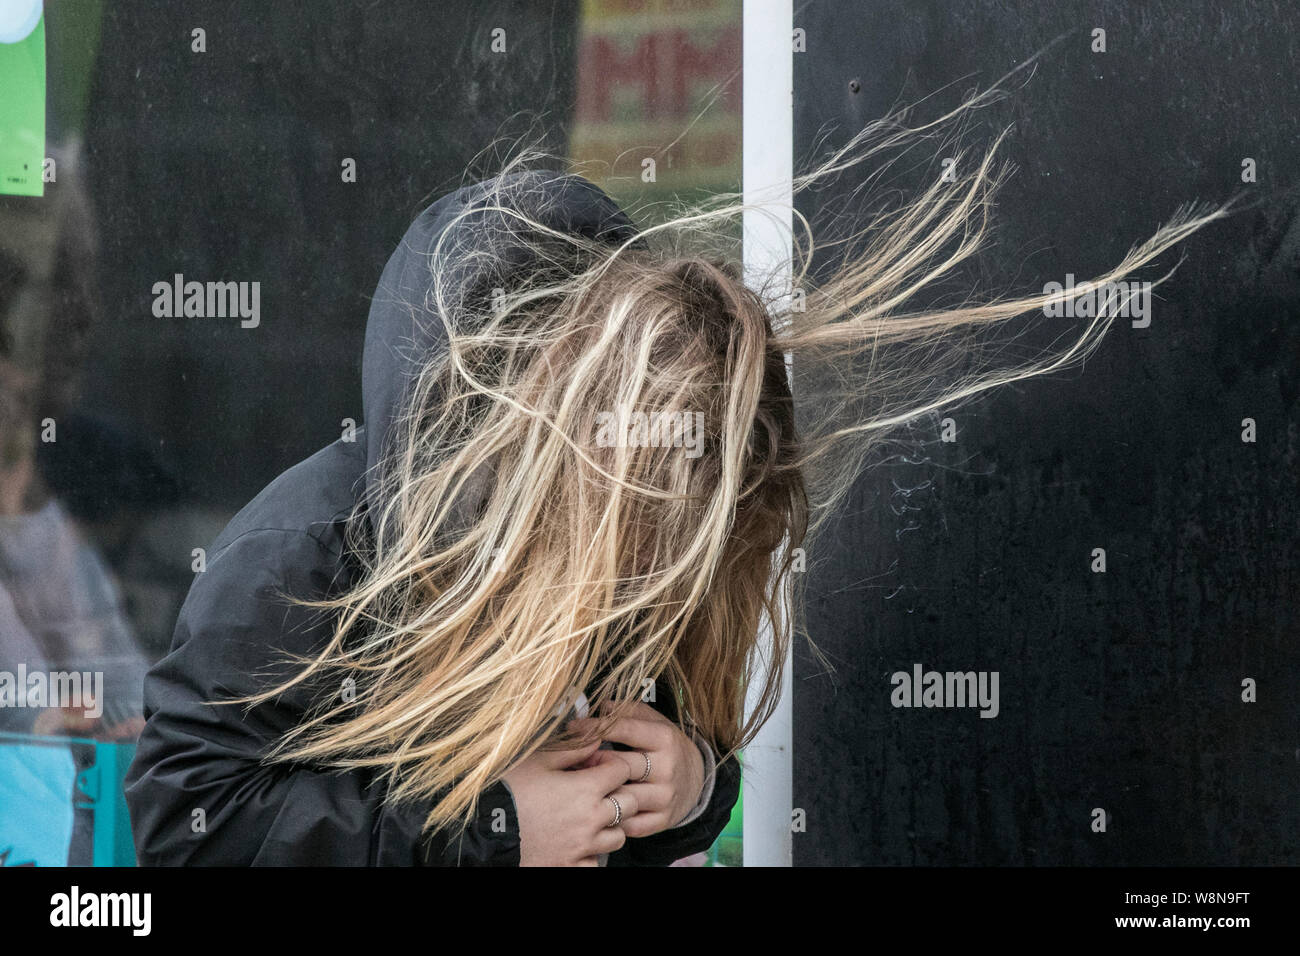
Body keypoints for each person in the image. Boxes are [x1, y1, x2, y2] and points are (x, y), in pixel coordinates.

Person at [124, 84, 1231, 866]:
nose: (651, 566)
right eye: (638, 522)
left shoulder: (650, 524)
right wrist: (487, 834)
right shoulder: (310, 551)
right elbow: (183, 822)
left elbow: (638, 767)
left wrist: (691, 787)